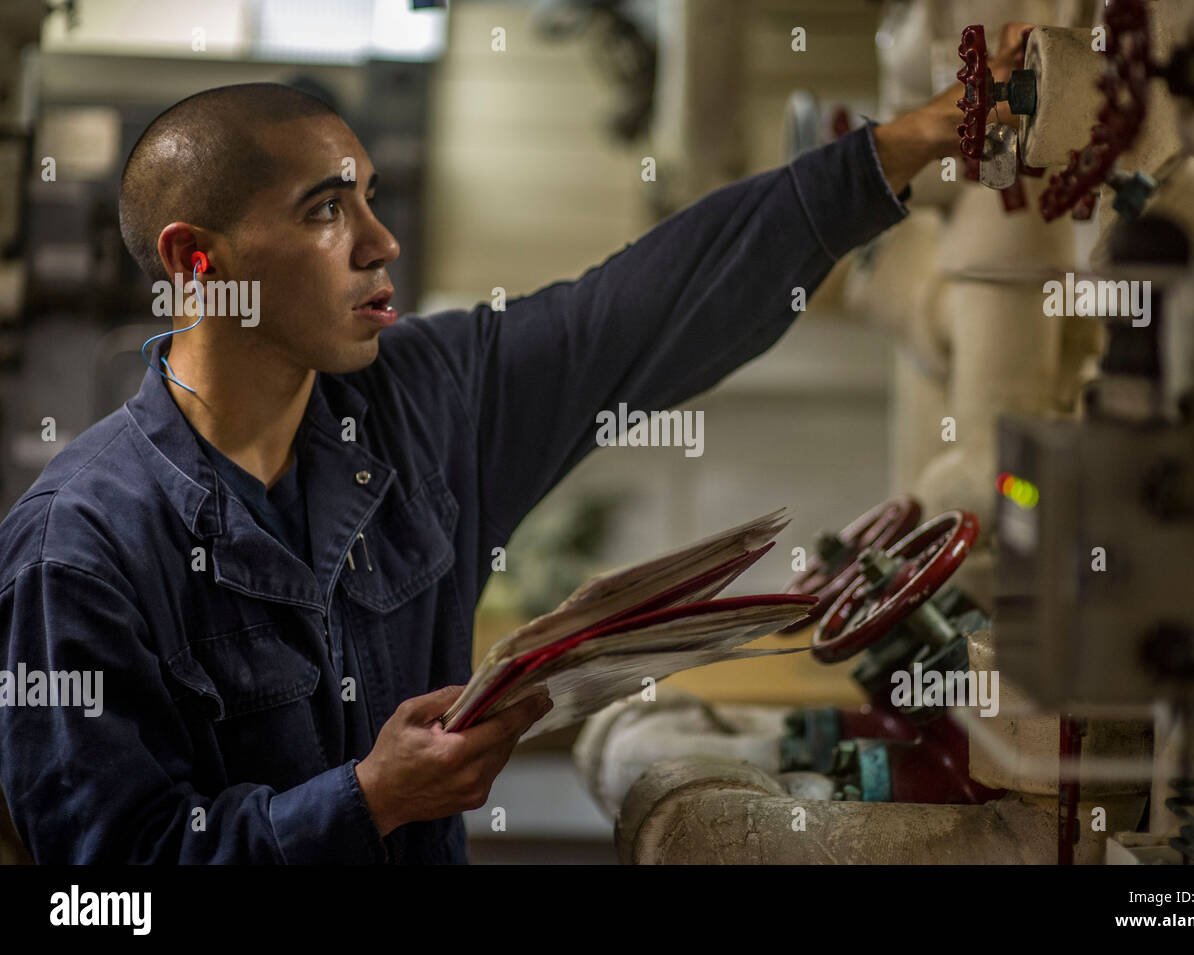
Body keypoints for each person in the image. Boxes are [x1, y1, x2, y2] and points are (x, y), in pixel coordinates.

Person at [0, 27, 1029, 864]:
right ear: (197, 262)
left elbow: (641, 310)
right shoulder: (79, 551)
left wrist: (902, 145)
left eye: (366, 195)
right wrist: (361, 802)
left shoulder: (422, 399)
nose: (380, 240)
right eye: (326, 210)